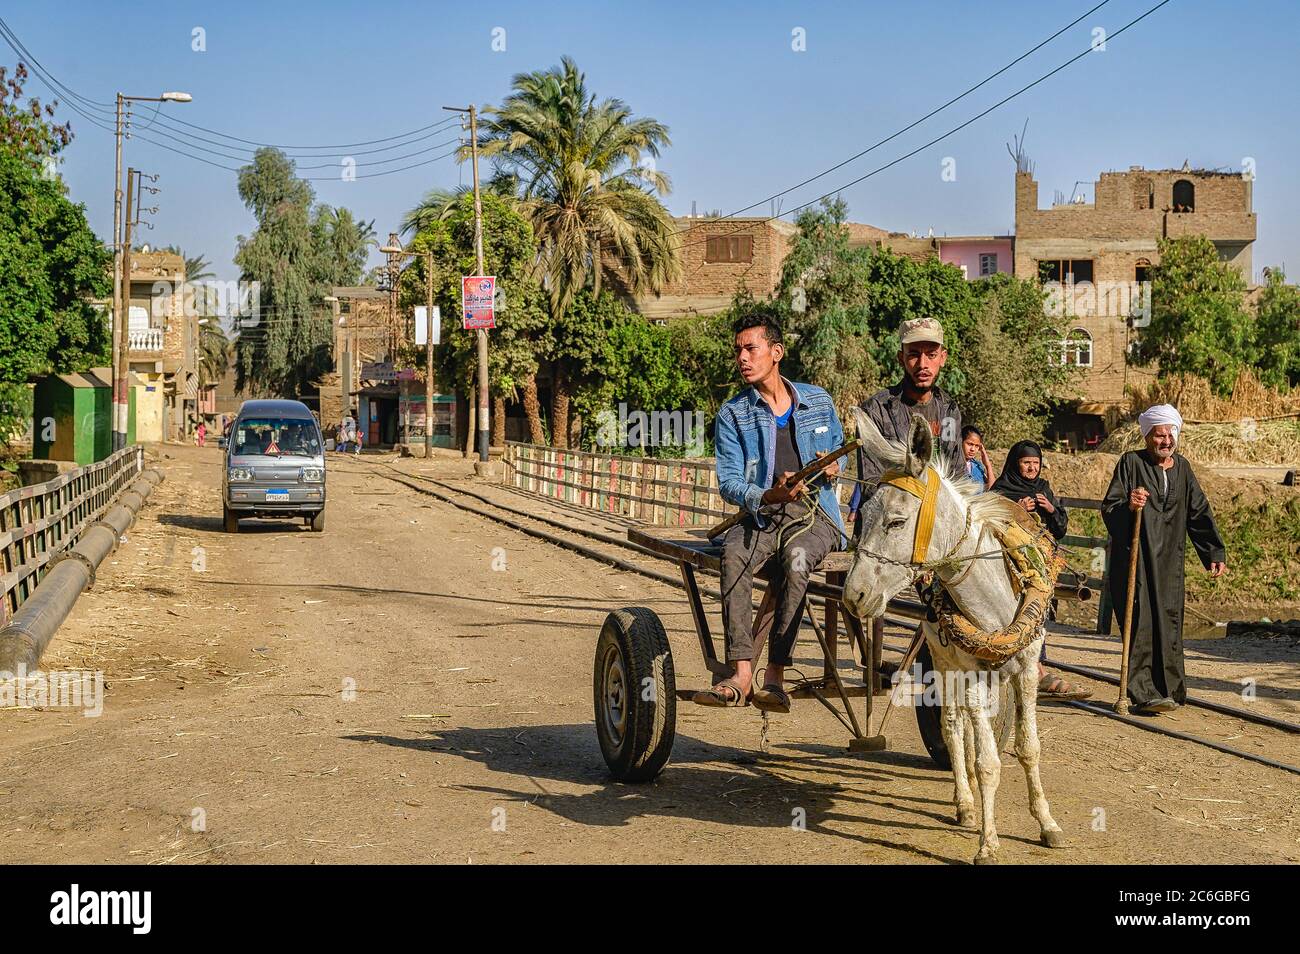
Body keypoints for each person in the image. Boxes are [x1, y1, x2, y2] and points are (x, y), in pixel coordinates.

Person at [697, 309, 849, 713]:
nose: (742, 358)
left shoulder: (818, 400)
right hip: (763, 512)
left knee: (796, 562)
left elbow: (840, 452)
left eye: (751, 348)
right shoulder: (733, 414)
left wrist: (835, 465)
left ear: (776, 352)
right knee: (733, 555)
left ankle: (775, 675)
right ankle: (741, 673)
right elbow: (729, 482)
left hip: (815, 513)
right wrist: (767, 495)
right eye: (738, 351)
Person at [1101, 405, 1226, 715]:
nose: (1166, 440)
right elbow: (1110, 507)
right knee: (1141, 621)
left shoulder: (1182, 468)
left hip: (1170, 561)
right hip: (1137, 560)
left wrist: (1212, 551)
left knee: (1169, 622)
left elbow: (1198, 511)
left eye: (1171, 435)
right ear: (1147, 437)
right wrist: (1129, 505)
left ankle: (1170, 689)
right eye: (1159, 435)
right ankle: (1143, 692)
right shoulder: (1131, 463)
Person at [990, 440, 1089, 700]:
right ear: (1015, 464)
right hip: (1007, 565)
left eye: (1036, 463)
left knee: (1037, 612)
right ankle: (1021, 664)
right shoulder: (1001, 489)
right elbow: (990, 521)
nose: (1032, 468)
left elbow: (1060, 529)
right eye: (1026, 463)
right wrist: (1017, 510)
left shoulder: (1043, 488)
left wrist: (1051, 509)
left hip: (1040, 565)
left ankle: (1035, 664)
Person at [849, 317, 966, 529]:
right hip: (888, 526)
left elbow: (956, 474)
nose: (923, 364)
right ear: (901, 358)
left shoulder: (949, 410)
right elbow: (871, 482)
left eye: (931, 355)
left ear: (943, 358)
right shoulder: (876, 410)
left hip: (940, 523)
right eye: (913, 355)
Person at [961, 424, 993, 490]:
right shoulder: (953, 465)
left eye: (977, 446)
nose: (973, 449)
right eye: (970, 444)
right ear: (961, 442)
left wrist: (988, 465)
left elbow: (992, 489)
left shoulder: (978, 466)